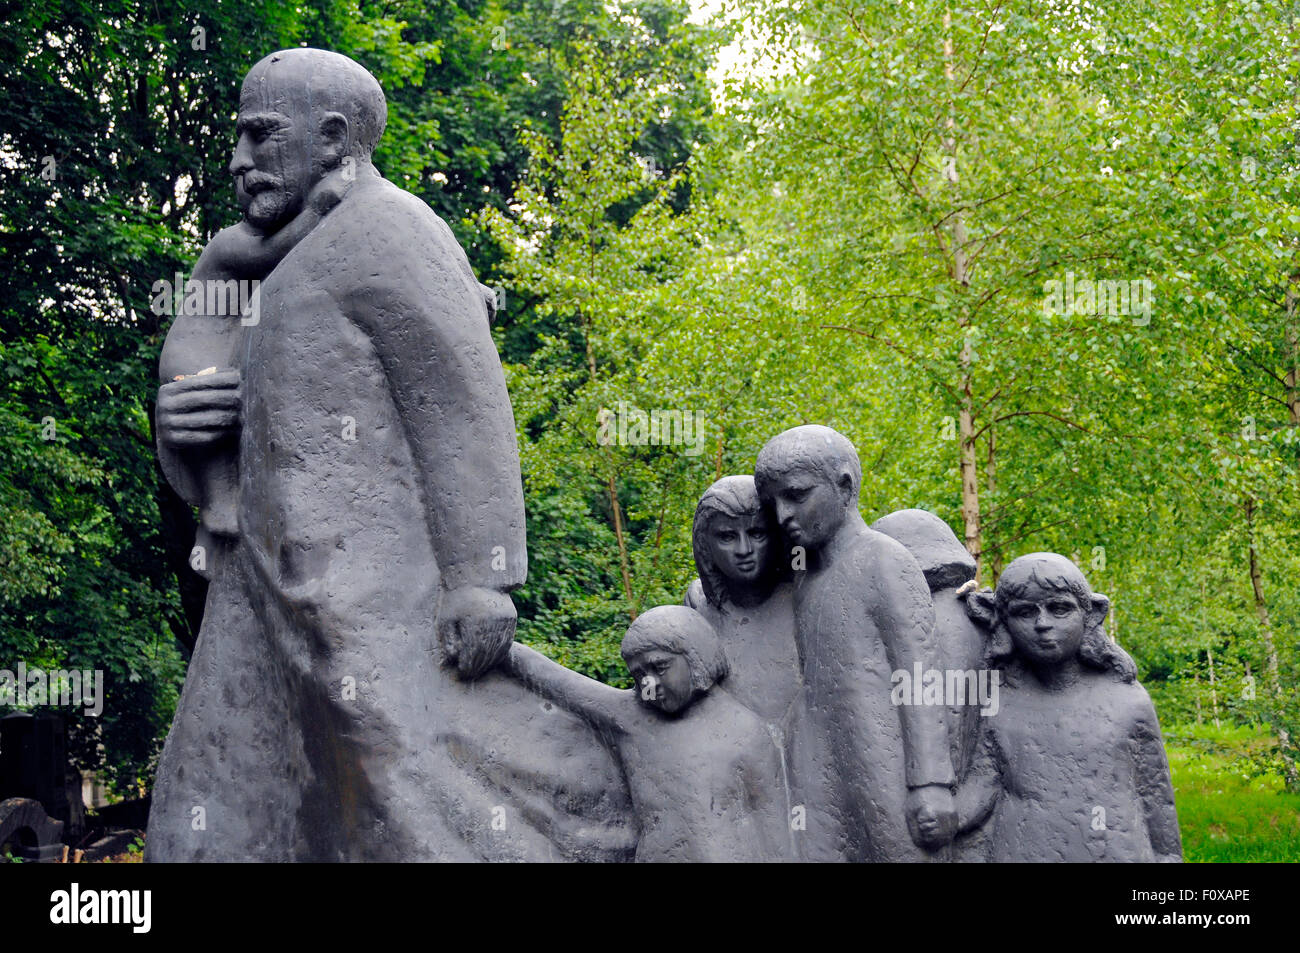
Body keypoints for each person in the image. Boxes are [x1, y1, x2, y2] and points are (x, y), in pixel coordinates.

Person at [148, 48, 634, 861]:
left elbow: (461, 400)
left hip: (369, 596)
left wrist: (482, 577)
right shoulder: (270, 262)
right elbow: (211, 396)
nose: (238, 162)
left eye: (260, 137)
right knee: (216, 791)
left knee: (405, 782)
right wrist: (183, 419)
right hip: (262, 593)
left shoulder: (394, 228)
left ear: (332, 135)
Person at [754, 425, 956, 861]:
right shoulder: (805, 582)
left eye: (797, 495)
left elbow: (921, 675)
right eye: (773, 504)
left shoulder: (883, 559)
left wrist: (931, 782)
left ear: (844, 486)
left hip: (882, 757)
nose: (783, 515)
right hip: (819, 758)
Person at [506, 606, 790, 862]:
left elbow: (775, 829)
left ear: (696, 656)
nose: (649, 683)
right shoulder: (633, 718)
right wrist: (503, 647)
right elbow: (562, 684)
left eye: (660, 667)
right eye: (639, 674)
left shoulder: (747, 732)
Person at [958, 553, 1182, 862]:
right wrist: (943, 814)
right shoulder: (998, 702)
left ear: (1091, 614)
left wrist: (1169, 858)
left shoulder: (1127, 701)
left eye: (1059, 608)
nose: (1042, 624)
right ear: (1004, 622)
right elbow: (983, 787)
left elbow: (1155, 798)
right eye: (1024, 612)